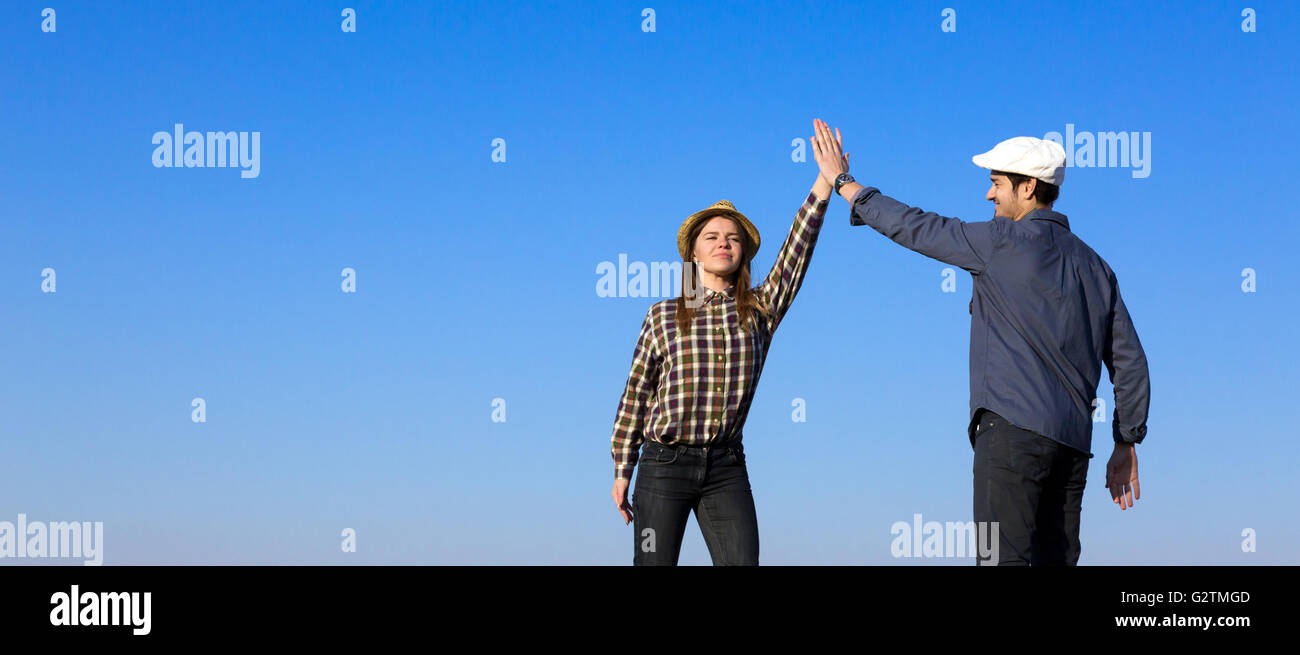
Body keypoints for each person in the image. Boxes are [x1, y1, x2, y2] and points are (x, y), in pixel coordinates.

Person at [812, 122, 1151, 565]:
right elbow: (1130, 363)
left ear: (1028, 187)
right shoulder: (1098, 268)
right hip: (1072, 445)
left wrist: (844, 184)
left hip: (1010, 433)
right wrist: (1126, 442)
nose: (989, 195)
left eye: (996, 184)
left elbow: (915, 226)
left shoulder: (997, 242)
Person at [608, 120, 842, 565]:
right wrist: (623, 469)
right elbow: (635, 395)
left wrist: (823, 184)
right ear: (693, 253)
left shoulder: (760, 309)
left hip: (726, 468)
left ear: (744, 254)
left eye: (733, 239)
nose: (723, 244)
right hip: (662, 465)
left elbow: (796, 253)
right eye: (712, 237)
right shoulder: (662, 315)